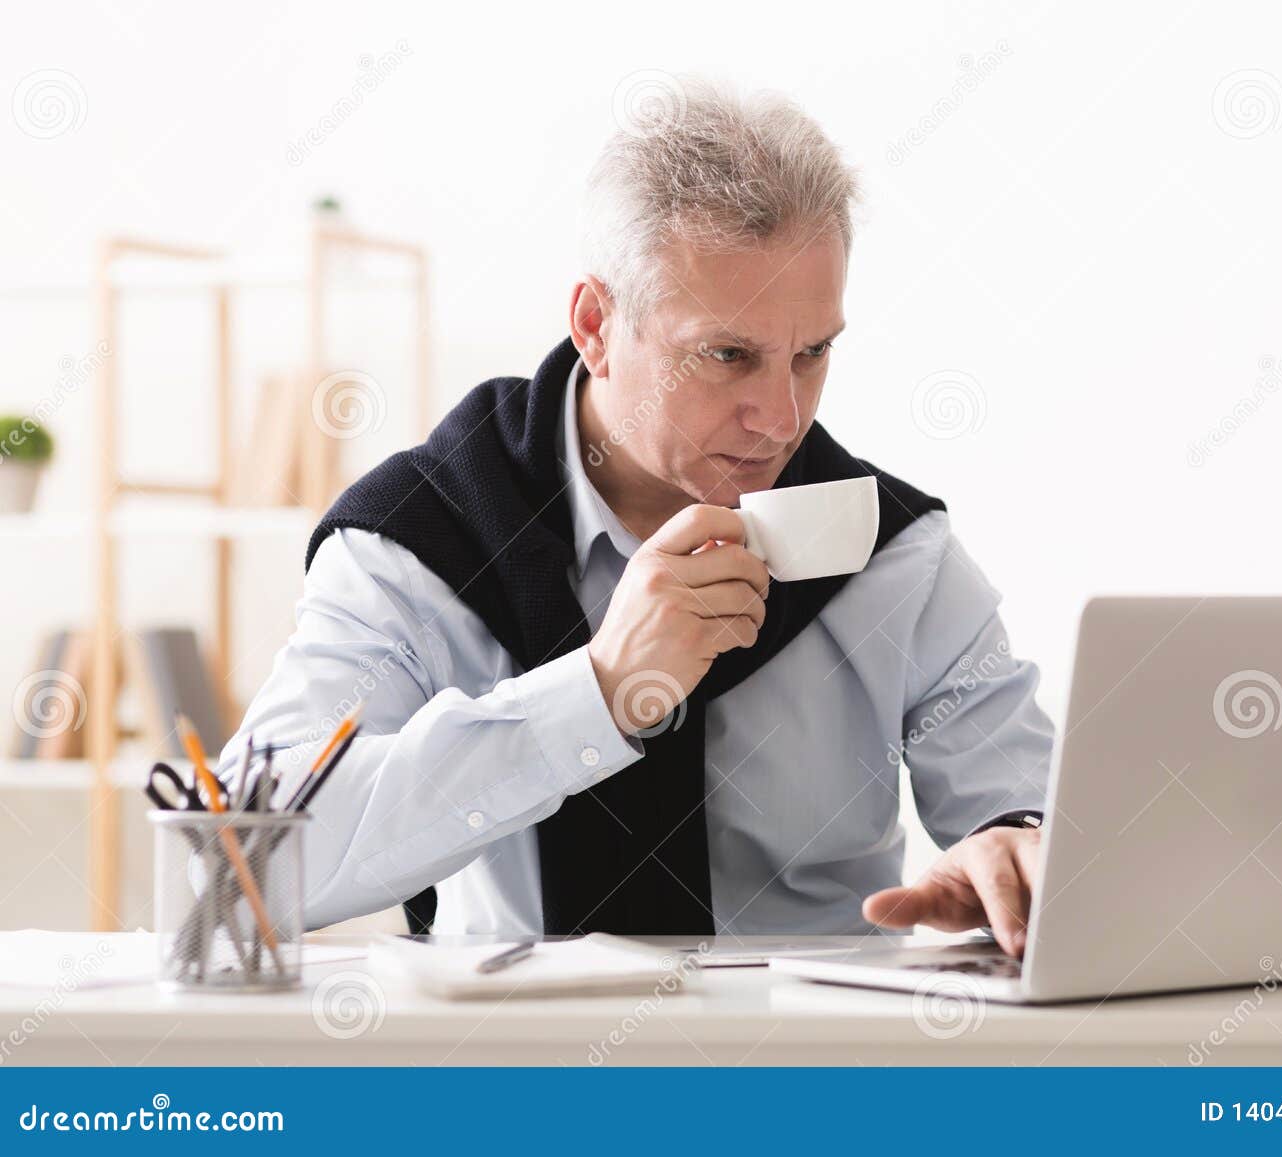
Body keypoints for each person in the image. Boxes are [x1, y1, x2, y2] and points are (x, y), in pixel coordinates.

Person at [218, 78, 1053, 957]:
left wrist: (1020, 847)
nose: (782, 417)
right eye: (726, 354)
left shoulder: (899, 556)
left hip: (809, 1040)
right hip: (502, 1043)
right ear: (595, 325)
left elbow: (1035, 815)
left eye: (812, 352)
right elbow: (240, 869)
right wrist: (599, 692)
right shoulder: (417, 541)